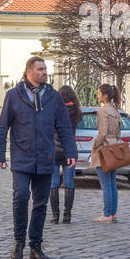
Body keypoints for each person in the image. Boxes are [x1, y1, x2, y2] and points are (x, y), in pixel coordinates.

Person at [0, 56, 77, 259]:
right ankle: (18, 241)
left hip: (45, 157)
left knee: (40, 203)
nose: (45, 72)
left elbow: (64, 127)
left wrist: (71, 152)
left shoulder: (53, 97)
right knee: (21, 197)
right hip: (22, 156)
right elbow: (3, 126)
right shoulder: (14, 95)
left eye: (45, 69)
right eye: (40, 69)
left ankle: (36, 246)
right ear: (29, 71)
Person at [89, 83, 123, 224]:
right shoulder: (115, 110)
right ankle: (112, 212)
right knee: (112, 182)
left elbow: (102, 133)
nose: (97, 96)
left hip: (104, 150)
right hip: (114, 148)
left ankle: (107, 214)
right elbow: (118, 131)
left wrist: (96, 144)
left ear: (105, 96)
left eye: (98, 93)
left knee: (106, 184)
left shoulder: (103, 111)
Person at [50, 84, 81, 224]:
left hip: (54, 150)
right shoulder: (76, 111)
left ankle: (55, 215)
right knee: (69, 183)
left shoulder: (54, 110)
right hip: (70, 150)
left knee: (54, 183)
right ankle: (67, 215)